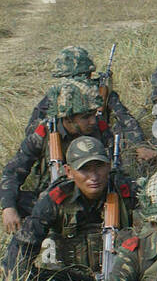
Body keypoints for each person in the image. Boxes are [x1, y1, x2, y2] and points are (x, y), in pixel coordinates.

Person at [1, 136, 136, 281]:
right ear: (69, 172)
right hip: (71, 278)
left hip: (120, 278)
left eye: (99, 167)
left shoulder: (126, 191)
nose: (93, 176)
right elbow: (25, 244)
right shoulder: (56, 199)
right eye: (84, 169)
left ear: (109, 166)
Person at [25, 45, 156, 169]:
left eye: (83, 76)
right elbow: (32, 134)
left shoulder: (100, 92)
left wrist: (139, 145)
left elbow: (126, 120)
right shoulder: (56, 98)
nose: (78, 83)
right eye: (71, 79)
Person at [3, 81, 109, 231]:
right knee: (14, 199)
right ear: (68, 118)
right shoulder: (43, 135)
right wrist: (8, 207)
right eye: (86, 117)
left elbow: (115, 168)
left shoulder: (99, 130)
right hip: (51, 200)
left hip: (91, 197)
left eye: (94, 114)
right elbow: (13, 172)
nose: (93, 121)